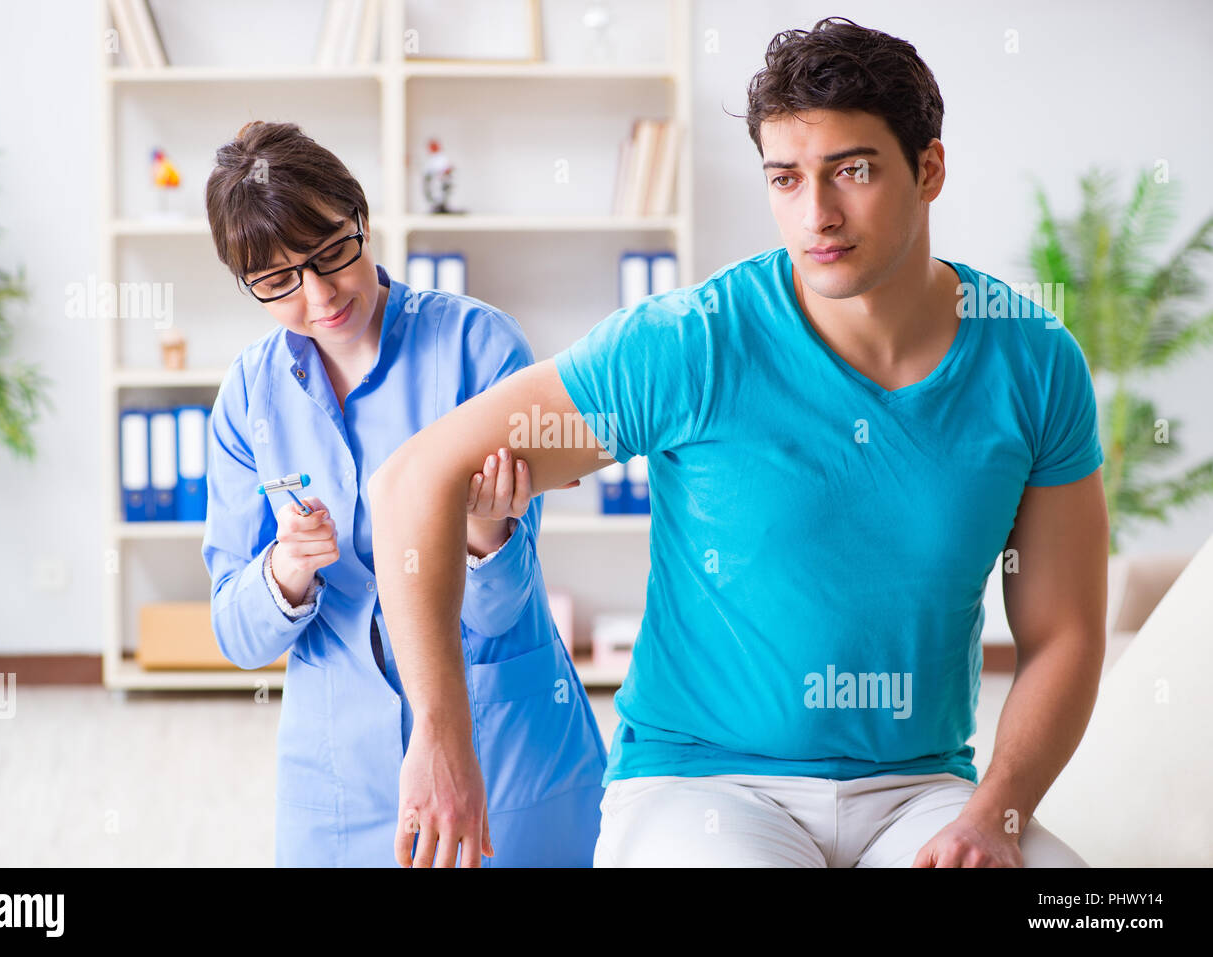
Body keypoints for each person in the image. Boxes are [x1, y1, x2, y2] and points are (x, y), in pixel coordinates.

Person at [367, 17, 1108, 867]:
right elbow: (414, 479)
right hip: (702, 788)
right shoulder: (693, 341)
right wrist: (440, 734)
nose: (817, 214)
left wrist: (998, 813)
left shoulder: (1033, 360)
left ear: (929, 169)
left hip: (920, 789)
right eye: (786, 179)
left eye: (852, 171)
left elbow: (1064, 635)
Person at [199, 120, 608, 867]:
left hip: (502, 748)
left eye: (332, 253)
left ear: (360, 217)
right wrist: (285, 572)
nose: (319, 295)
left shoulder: (481, 349)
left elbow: (501, 608)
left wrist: (486, 533)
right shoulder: (248, 395)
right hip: (339, 777)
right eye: (279, 281)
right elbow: (238, 635)